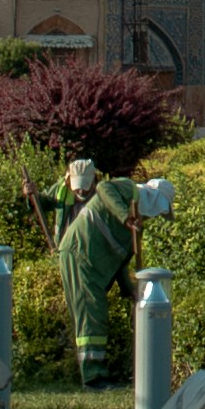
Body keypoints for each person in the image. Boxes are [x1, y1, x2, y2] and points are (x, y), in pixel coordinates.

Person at [55, 158, 144, 387]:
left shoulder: (129, 227)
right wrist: (126, 217)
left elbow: (119, 263)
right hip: (79, 258)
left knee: (95, 316)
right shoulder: (118, 198)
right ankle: (93, 377)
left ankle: (97, 372)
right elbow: (105, 188)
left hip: (86, 260)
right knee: (90, 317)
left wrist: (130, 291)